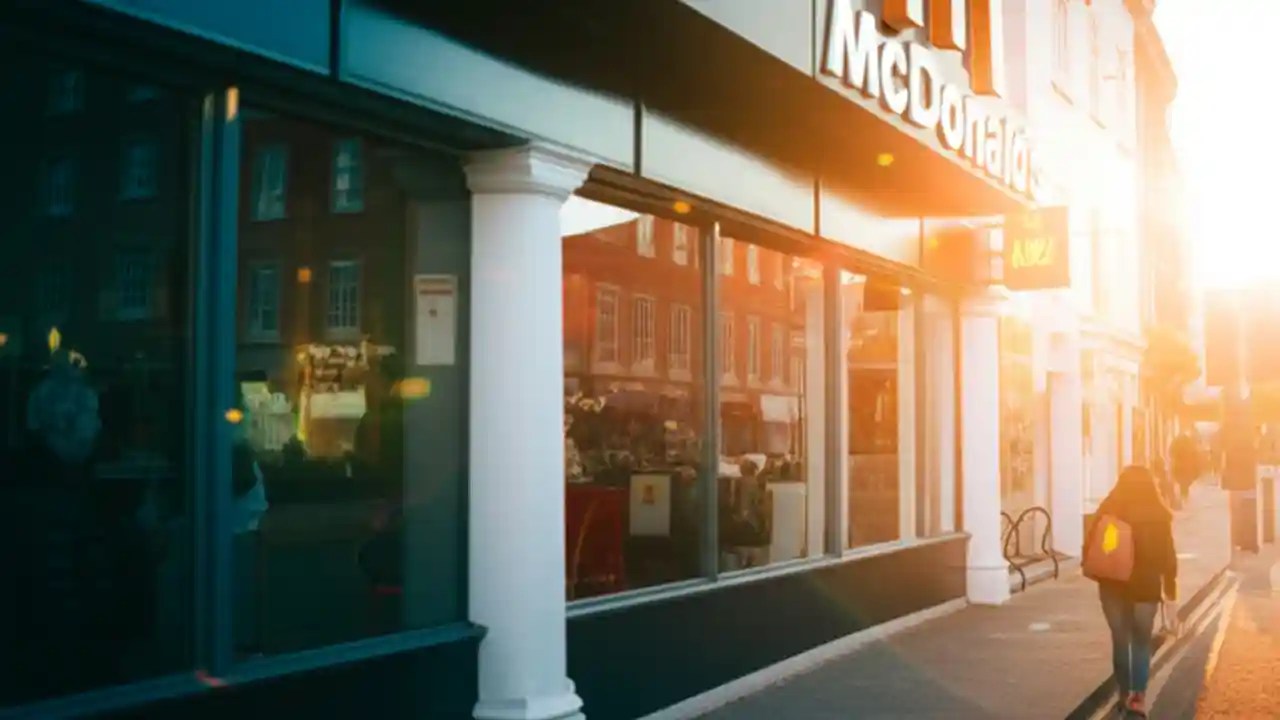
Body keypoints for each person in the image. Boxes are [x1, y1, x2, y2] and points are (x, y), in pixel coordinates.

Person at [1092, 465, 1179, 718]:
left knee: (1120, 642)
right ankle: (1138, 698)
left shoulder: (1110, 509)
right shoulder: (1160, 516)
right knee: (1141, 642)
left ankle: (1122, 694)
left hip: (1113, 586)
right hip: (1146, 589)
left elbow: (1098, 545)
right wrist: (1170, 592)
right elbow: (1169, 559)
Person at [1169, 432, 1199, 507]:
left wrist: (1174, 458)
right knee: (1185, 480)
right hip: (1187, 464)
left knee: (1181, 480)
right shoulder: (1189, 442)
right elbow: (1194, 452)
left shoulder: (1176, 442)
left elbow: (1171, 451)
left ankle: (1184, 494)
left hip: (1179, 464)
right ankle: (1184, 494)